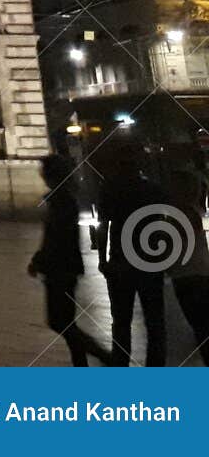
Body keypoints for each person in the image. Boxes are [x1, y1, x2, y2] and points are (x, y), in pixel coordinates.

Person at [27, 154, 113, 366]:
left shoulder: (61, 200)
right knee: (65, 322)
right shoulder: (62, 197)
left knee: (60, 322)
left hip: (60, 268)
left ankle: (106, 357)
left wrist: (40, 260)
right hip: (65, 266)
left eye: (44, 172)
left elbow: (56, 236)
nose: (42, 175)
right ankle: (82, 365)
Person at [95, 146, 171, 366]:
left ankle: (120, 365)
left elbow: (103, 226)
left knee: (121, 321)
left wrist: (102, 260)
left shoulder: (109, 189)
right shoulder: (153, 189)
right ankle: (155, 369)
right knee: (155, 321)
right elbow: (163, 225)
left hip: (119, 261)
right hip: (149, 261)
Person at [166, 168, 209, 365]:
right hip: (200, 273)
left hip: (186, 277)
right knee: (202, 327)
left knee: (200, 327)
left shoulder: (178, 215)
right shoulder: (191, 212)